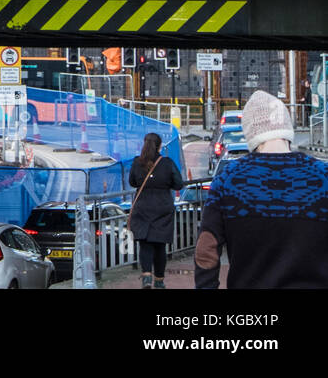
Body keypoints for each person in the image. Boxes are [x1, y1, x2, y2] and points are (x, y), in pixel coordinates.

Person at [196, 90, 328, 289]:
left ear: (252, 134)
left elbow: (207, 249)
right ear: (287, 128)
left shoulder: (228, 179)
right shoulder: (323, 176)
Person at [128, 132, 185, 288]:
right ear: (160, 146)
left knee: (145, 244)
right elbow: (179, 184)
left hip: (142, 207)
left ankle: (146, 275)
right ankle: (159, 281)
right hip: (162, 208)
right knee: (160, 246)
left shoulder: (137, 162)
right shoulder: (167, 163)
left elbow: (132, 182)